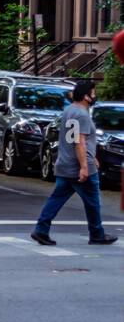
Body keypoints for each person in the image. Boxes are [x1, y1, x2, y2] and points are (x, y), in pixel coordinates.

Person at [32, 80, 117, 246]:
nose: (94, 96)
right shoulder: (82, 114)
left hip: (64, 163)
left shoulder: (69, 111)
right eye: (93, 93)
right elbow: (80, 142)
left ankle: (41, 230)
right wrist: (85, 165)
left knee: (56, 199)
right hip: (78, 166)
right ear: (86, 96)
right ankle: (97, 233)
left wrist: (92, 157)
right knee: (93, 202)